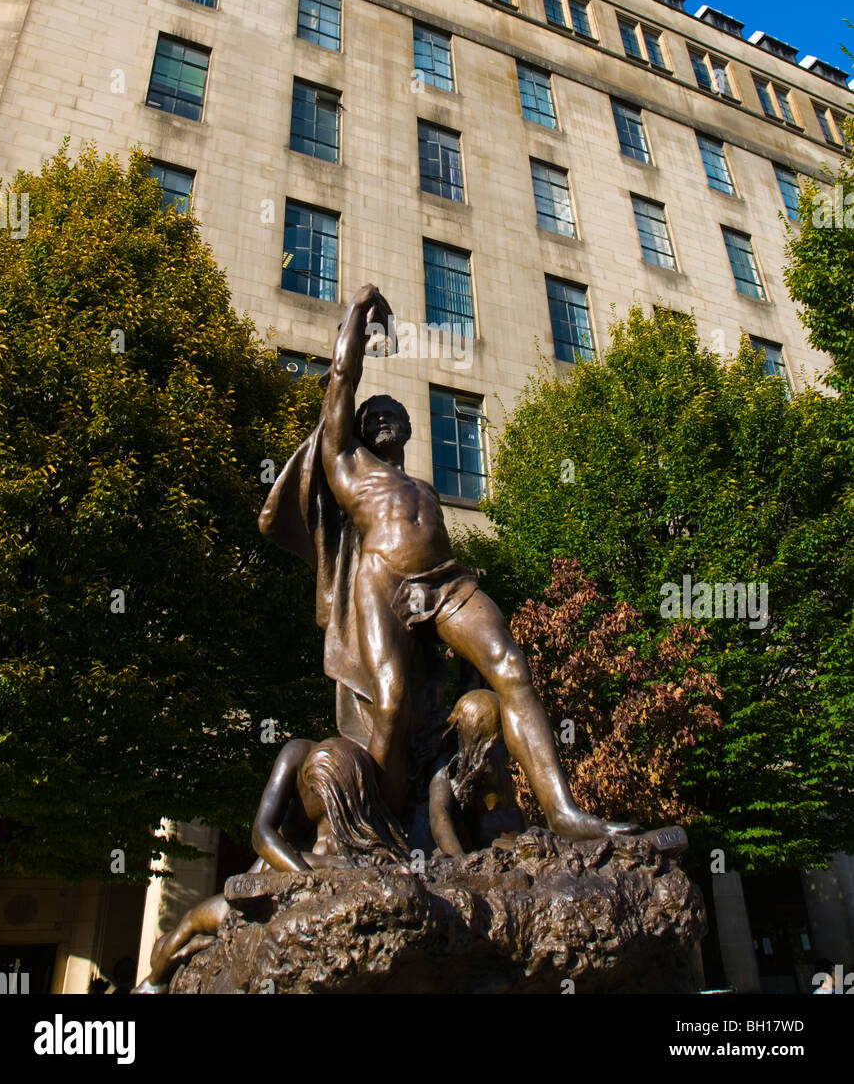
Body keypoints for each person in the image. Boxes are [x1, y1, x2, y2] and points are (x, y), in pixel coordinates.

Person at [261, 284, 637, 840]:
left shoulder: (423, 487)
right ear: (359, 430)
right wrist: (362, 306)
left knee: (510, 665)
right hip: (380, 579)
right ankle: (378, 833)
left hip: (446, 583)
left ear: (409, 429)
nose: (382, 416)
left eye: (393, 412)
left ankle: (562, 811)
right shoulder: (347, 466)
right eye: (373, 414)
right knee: (391, 703)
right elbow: (342, 378)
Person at [134, 733, 407, 992]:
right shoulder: (295, 755)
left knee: (197, 924)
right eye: (323, 807)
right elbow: (261, 835)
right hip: (272, 867)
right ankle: (153, 981)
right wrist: (308, 879)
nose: (328, 822)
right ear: (313, 788)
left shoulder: (354, 787)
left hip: (290, 874)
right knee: (196, 920)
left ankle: (168, 965)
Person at [429, 689, 525, 855]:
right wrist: (461, 860)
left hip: (512, 841)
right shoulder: (446, 769)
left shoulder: (497, 758)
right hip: (480, 850)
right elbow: (439, 818)